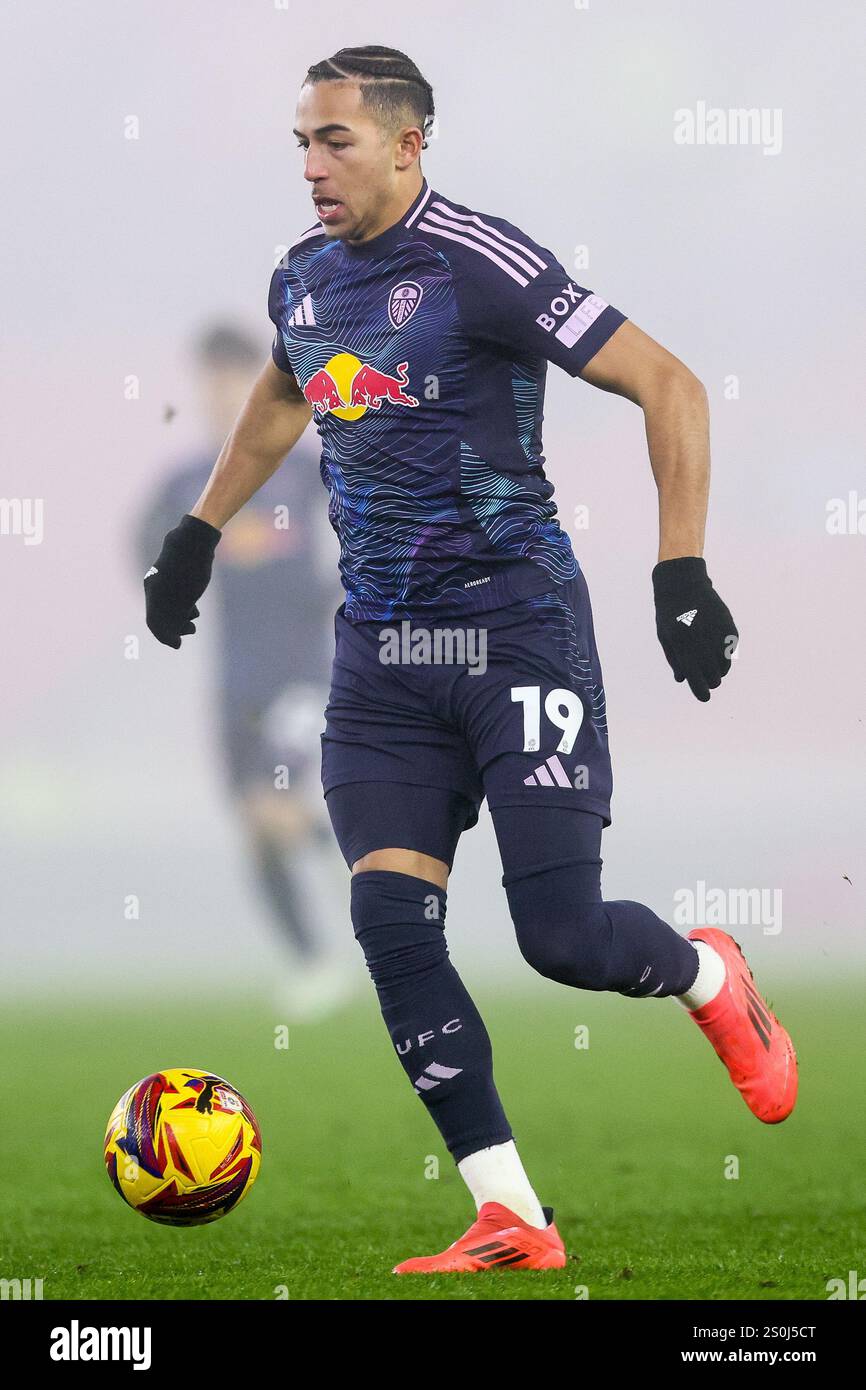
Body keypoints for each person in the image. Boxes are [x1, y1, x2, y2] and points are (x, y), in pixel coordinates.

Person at [143, 46, 798, 1275]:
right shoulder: (300, 277)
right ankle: (512, 1211)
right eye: (299, 141)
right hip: (381, 661)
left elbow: (668, 383)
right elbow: (286, 394)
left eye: (334, 139)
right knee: (391, 919)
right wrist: (196, 533)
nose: (310, 164)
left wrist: (680, 570)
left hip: (513, 635)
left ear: (408, 142)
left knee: (560, 938)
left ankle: (708, 969)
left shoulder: (480, 262)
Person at [139, 324, 352, 1019]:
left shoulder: (301, 466)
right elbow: (145, 548)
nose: (220, 392)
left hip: (300, 670)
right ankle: (313, 960)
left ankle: (359, 882)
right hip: (233, 678)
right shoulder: (184, 482)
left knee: (273, 805)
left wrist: (345, 592)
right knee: (256, 826)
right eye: (210, 380)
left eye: (233, 377)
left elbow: (375, 520)